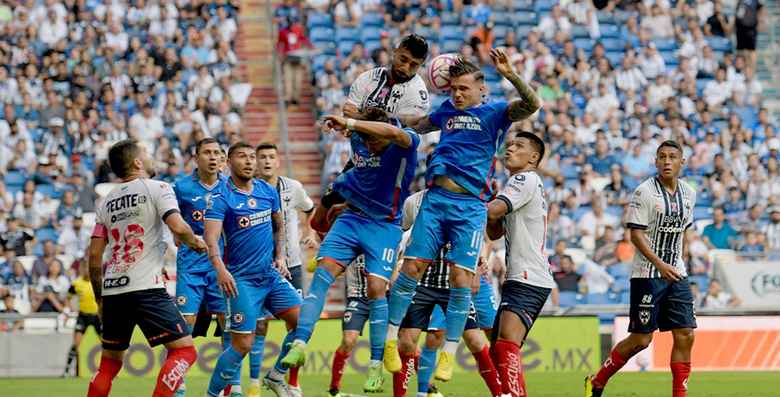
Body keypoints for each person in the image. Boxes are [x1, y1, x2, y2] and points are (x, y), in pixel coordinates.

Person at [384, 48, 540, 378]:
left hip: (469, 206)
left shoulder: (496, 112)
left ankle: (449, 354)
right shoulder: (444, 112)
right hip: (436, 199)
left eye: (463, 88)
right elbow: (412, 126)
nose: (457, 93)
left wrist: (510, 74)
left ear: (481, 89)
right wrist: (384, 113)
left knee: (462, 279)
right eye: (453, 88)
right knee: (411, 268)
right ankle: (387, 341)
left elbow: (532, 105)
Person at [281, 108, 420, 393]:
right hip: (352, 217)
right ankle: (300, 343)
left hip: (384, 225)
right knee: (321, 276)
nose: (368, 144)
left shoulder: (406, 145)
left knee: (376, 288)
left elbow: (389, 131)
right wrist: (340, 121)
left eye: (373, 138)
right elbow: (354, 115)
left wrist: (351, 122)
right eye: (363, 138)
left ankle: (375, 366)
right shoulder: (359, 137)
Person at [86, 139, 207, 397]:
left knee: (108, 365)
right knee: (185, 350)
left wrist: (100, 299)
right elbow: (178, 226)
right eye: (147, 154)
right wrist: (195, 242)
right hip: (146, 288)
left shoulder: (106, 202)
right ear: (138, 162)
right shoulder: (158, 188)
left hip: (113, 291)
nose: (151, 158)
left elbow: (95, 256)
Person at [586, 140, 697, 397]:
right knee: (641, 340)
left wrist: (683, 261)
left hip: (677, 273)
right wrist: (660, 264)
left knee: (686, 334)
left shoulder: (689, 194)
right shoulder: (644, 192)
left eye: (672, 157)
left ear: (682, 162)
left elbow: (684, 232)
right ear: (656, 162)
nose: (667, 161)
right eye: (662, 157)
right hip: (647, 275)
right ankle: (598, 381)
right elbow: (636, 235)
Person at [203, 142, 302, 397]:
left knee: (303, 323)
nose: (248, 162)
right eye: (241, 157)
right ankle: (212, 394)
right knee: (243, 344)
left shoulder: (267, 191)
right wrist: (221, 271)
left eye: (251, 157)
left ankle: (277, 375)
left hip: (269, 274)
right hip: (241, 280)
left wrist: (280, 256)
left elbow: (279, 226)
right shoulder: (221, 197)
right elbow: (211, 239)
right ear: (228, 162)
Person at [396, 190, 501, 397]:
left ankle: (501, 393)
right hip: (424, 284)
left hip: (456, 285)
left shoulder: (470, 201)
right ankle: (418, 392)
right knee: (410, 340)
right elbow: (401, 234)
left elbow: (482, 238)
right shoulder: (415, 203)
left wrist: (477, 271)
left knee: (476, 340)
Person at [484, 132, 554, 397]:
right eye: (509, 144)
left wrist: (476, 200)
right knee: (497, 348)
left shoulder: (524, 179)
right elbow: (495, 232)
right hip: (521, 276)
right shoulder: (520, 183)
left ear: (533, 158)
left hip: (529, 276)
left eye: (519, 146)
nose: (510, 148)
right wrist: (490, 204)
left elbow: (492, 211)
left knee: (505, 345)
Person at [248, 142, 316, 396]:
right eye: (262, 157)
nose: (266, 161)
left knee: (297, 328)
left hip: (293, 265)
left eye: (271, 157)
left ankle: (292, 382)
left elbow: (310, 210)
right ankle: (254, 384)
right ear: (255, 161)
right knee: (259, 326)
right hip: (260, 268)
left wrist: (309, 232)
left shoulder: (293, 187)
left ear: (278, 161)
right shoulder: (249, 189)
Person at [171, 138, 234, 397]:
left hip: (220, 267)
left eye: (217, 153)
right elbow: (170, 221)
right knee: (183, 324)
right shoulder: (181, 187)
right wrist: (181, 238)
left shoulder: (230, 186)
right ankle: (178, 383)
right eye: (206, 152)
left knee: (229, 325)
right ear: (196, 158)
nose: (213, 157)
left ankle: (230, 387)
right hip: (190, 266)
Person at [63, 262, 101, 378]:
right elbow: (68, 298)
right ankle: (67, 371)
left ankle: (108, 370)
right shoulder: (76, 283)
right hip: (83, 316)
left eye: (88, 269)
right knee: (76, 344)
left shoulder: (98, 281)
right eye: (84, 268)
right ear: (81, 269)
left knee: (107, 344)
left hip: (97, 316)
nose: (86, 271)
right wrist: (70, 308)